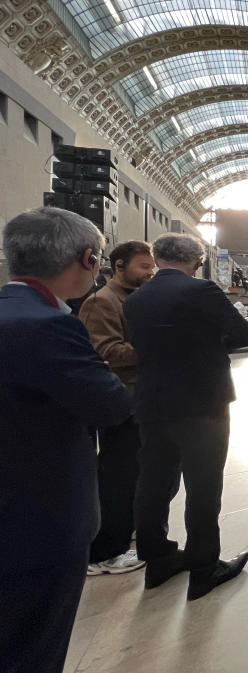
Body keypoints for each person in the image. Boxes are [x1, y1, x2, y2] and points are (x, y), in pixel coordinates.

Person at [0, 207, 133, 673]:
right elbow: (111, 406)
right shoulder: (51, 325)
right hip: (40, 512)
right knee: (34, 643)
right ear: (88, 259)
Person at [124, 233, 248, 602]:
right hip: (202, 402)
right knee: (203, 486)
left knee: (153, 483)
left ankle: (158, 560)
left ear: (158, 258)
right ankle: (203, 568)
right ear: (197, 262)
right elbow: (245, 333)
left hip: (151, 401)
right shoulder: (201, 291)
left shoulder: (136, 298)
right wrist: (208, 348)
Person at [78, 240, 155, 576]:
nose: (150, 272)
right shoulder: (102, 301)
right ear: (119, 265)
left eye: (152, 266)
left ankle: (126, 527)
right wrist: (158, 347)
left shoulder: (133, 299)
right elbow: (107, 350)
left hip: (141, 397)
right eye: (143, 266)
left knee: (134, 471)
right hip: (119, 398)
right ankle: (103, 552)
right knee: (116, 475)